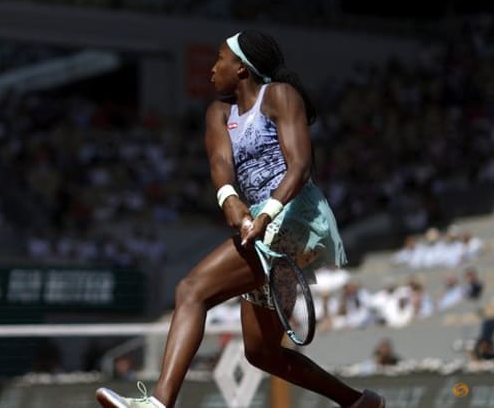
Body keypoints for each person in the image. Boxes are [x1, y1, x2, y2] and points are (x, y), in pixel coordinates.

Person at [96, 30, 384, 407]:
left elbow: (299, 167)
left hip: (297, 220)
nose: (213, 68)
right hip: (264, 229)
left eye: (220, 59)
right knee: (262, 353)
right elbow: (221, 166)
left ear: (243, 69)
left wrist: (265, 213)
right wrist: (229, 199)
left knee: (190, 290)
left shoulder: (280, 95)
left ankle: (159, 403)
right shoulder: (219, 113)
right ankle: (361, 404)